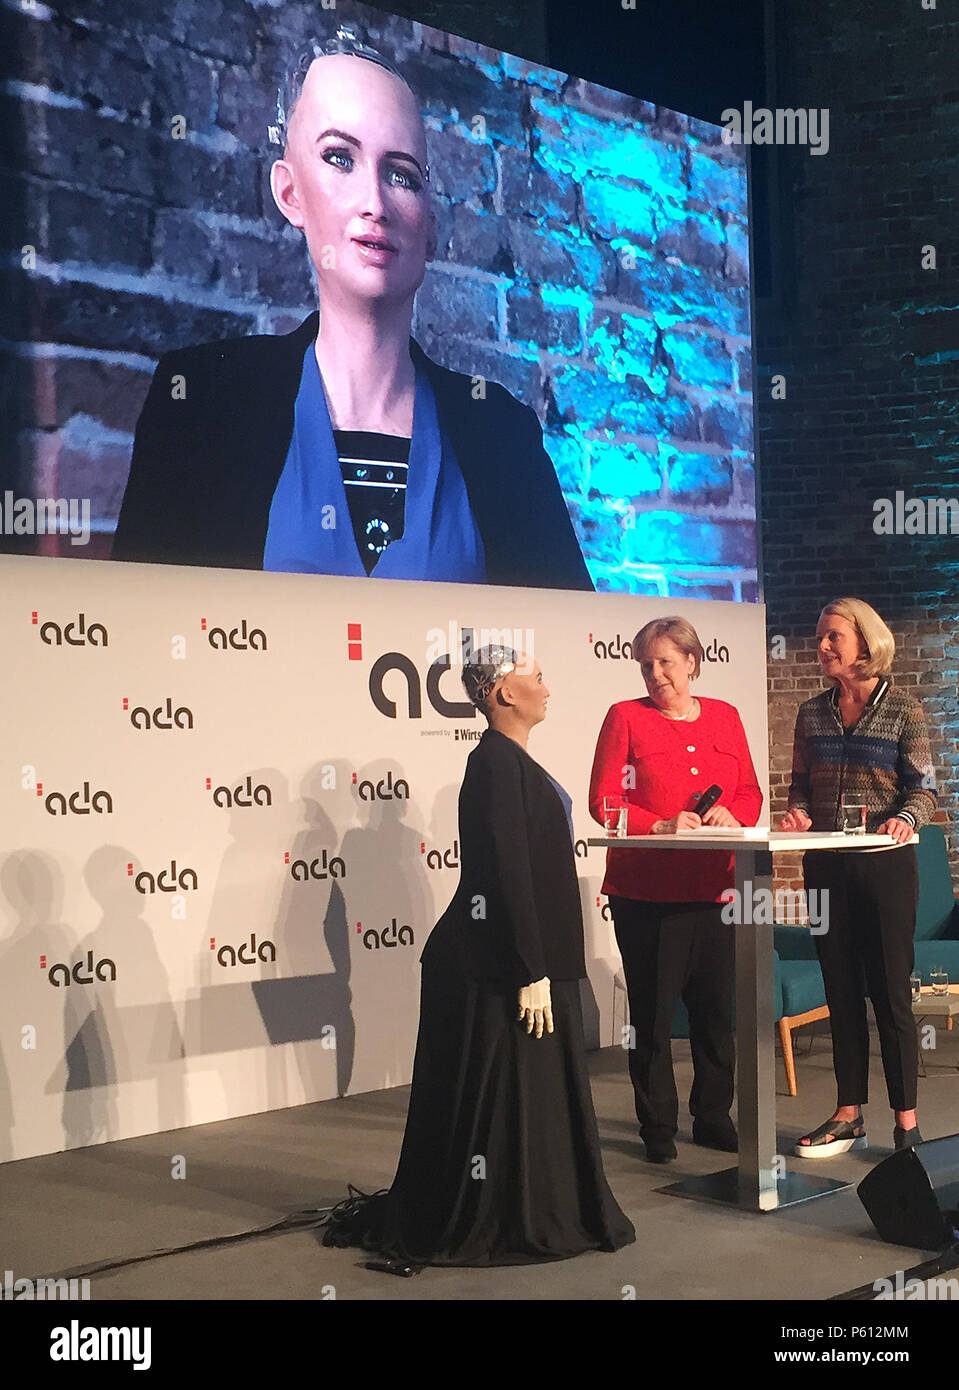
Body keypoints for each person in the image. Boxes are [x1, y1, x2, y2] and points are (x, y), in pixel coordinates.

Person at [112, 27, 592, 591]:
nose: (376, 203)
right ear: (290, 193)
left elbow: (566, 650)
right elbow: (140, 645)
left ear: (430, 229)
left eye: (402, 175)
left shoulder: (502, 433)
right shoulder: (202, 401)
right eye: (340, 158)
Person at [323, 647, 634, 1266]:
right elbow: (503, 873)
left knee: (534, 1096)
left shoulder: (512, 761)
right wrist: (530, 969)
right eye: (535, 676)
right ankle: (503, 1215)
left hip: (523, 959)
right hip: (500, 967)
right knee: (503, 1101)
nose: (546, 686)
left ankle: (542, 1206)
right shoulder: (492, 762)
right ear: (502, 693)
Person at [588, 616, 763, 1163]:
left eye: (665, 661)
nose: (655, 674)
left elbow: (753, 795)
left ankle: (713, 1116)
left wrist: (733, 814)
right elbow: (604, 802)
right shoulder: (625, 718)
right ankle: (657, 1127)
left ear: (692, 661)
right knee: (653, 1017)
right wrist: (657, 825)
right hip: (647, 895)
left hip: (717, 889)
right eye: (645, 664)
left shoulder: (727, 717)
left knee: (715, 1014)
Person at [779, 598, 937, 1157]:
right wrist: (796, 812)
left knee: (889, 993)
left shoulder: (906, 711)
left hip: (886, 868)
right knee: (840, 988)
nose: (821, 647)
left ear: (865, 644)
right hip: (824, 865)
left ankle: (907, 1123)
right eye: (820, 637)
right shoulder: (811, 713)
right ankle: (849, 1113)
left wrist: (904, 815)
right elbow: (800, 785)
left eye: (832, 637)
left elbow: (924, 787)